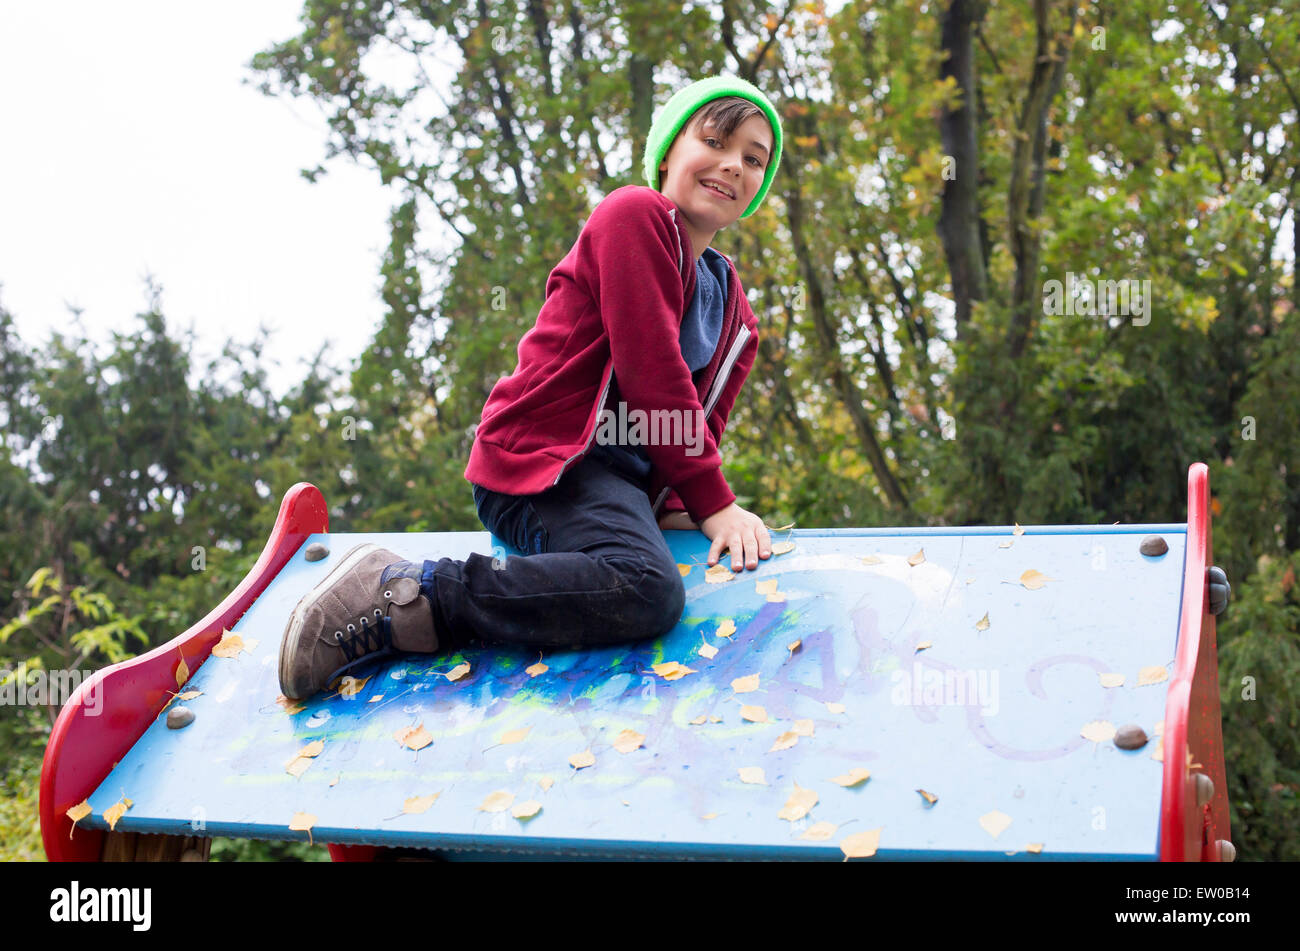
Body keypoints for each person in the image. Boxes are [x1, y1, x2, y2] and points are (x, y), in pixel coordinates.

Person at [278, 75, 784, 701]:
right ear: (668, 151)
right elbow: (655, 377)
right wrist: (714, 499)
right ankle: (409, 594)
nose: (734, 164)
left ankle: (432, 594)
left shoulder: (734, 310)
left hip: (612, 485)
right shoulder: (635, 216)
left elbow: (701, 423)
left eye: (754, 159)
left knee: (664, 567)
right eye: (715, 140)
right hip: (543, 463)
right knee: (646, 587)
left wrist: (686, 500)